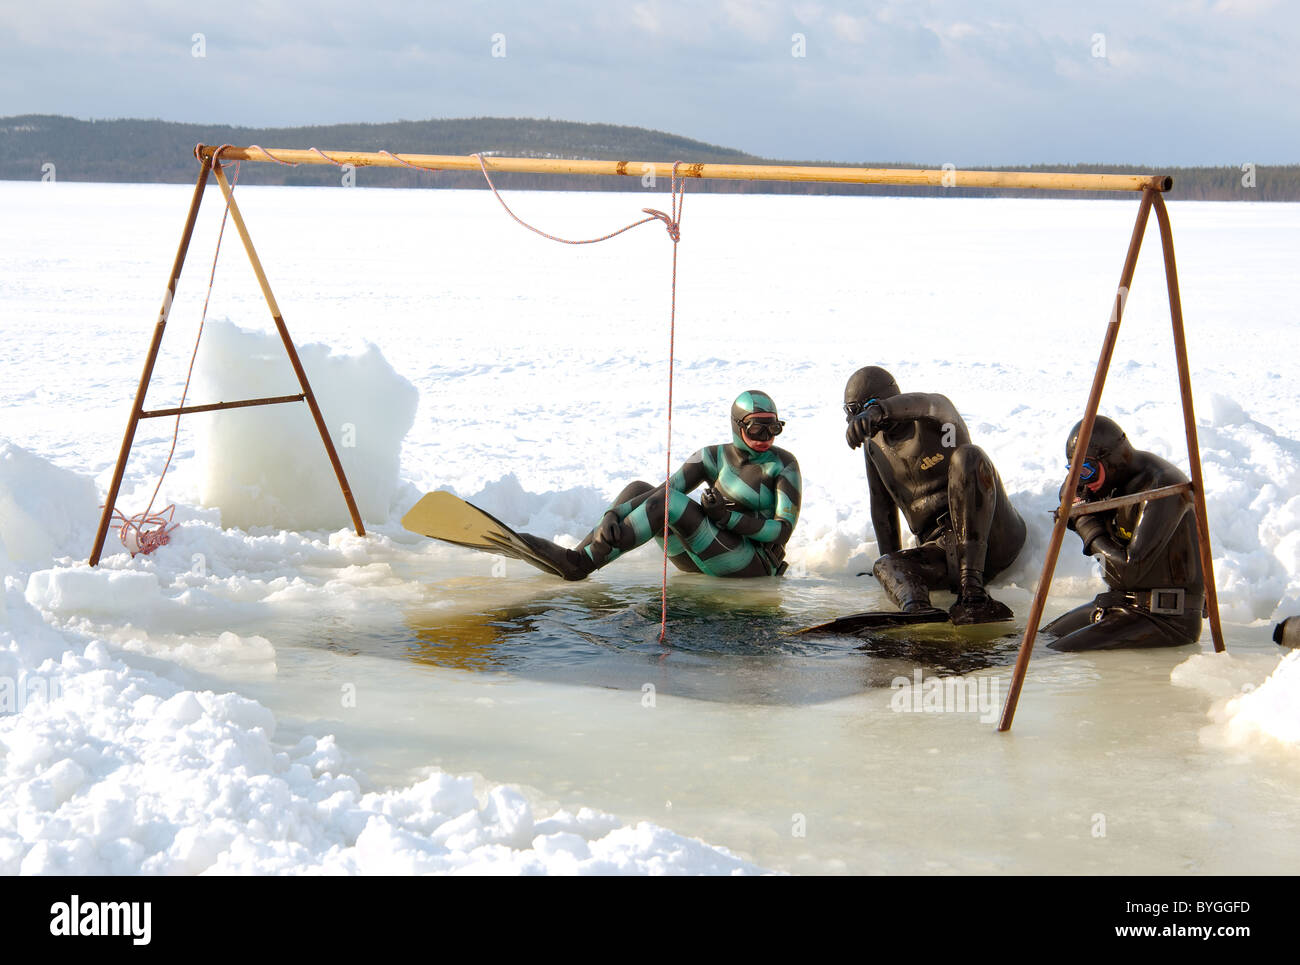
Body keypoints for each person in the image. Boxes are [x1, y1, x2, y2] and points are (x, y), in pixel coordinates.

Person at [517, 390, 802, 580]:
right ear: (737, 425)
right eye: (757, 427)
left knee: (669, 504)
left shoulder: (782, 465)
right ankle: (578, 554)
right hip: (697, 557)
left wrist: (727, 517)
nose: (766, 436)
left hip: (751, 564)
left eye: (773, 427)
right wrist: (611, 515)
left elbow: (782, 531)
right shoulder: (712, 456)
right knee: (640, 489)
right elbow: (662, 491)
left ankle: (580, 565)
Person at [844, 366, 1026, 625]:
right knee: (883, 565)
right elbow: (882, 509)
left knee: (968, 456)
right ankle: (916, 609)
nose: (862, 419)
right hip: (941, 552)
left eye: (866, 409)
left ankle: (972, 591)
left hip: (992, 541)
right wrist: (894, 569)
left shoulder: (936, 415)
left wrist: (880, 410)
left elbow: (928, 403)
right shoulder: (875, 447)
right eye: (852, 413)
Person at [1042, 416, 1204, 651]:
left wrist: (1086, 523)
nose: (1085, 482)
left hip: (1166, 619)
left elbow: (1129, 572)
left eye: (1087, 471)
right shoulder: (1101, 481)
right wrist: (1075, 498)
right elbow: (1069, 488)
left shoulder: (1162, 487)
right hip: (1120, 604)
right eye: (1075, 471)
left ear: (1113, 460)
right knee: (1039, 640)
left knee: (1056, 651)